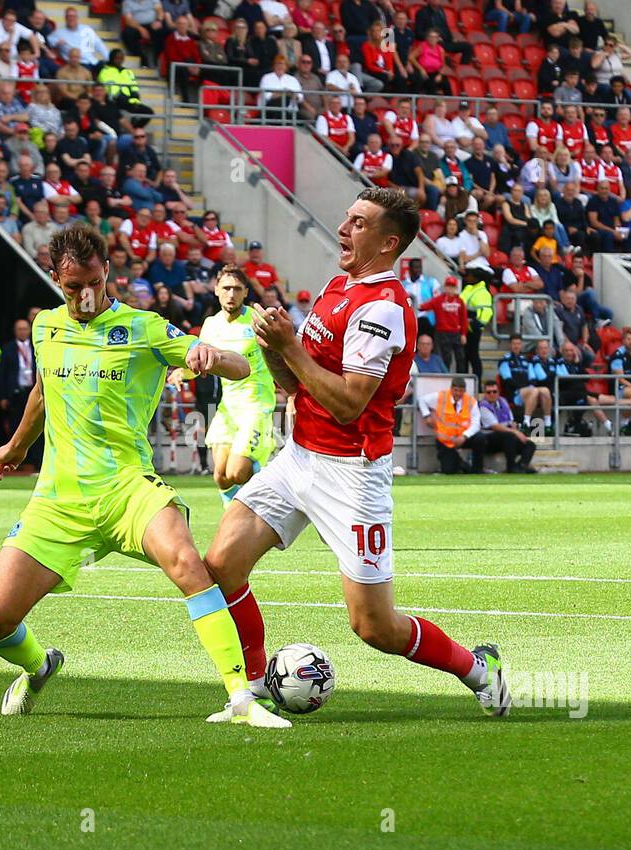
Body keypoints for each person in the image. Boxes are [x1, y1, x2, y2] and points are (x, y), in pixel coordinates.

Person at [202, 187, 510, 721]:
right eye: (347, 218)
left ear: (389, 243)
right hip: (299, 456)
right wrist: (277, 349)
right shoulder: (337, 286)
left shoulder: (383, 309)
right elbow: (296, 388)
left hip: (352, 473)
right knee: (222, 564)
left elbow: (348, 403)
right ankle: (250, 690)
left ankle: (478, 670)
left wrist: (291, 347)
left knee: (374, 627)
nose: (344, 228)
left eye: (359, 223)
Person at [0, 224, 285, 727]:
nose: (86, 294)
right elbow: (41, 391)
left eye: (94, 281)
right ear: (55, 278)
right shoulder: (45, 327)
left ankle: (240, 697)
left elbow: (239, 368)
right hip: (59, 500)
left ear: (107, 273)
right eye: (73, 285)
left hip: (128, 489)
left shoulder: (144, 327)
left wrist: (210, 356)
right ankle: (39, 666)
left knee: (188, 562)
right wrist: (15, 446)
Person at [169, 264, 276, 507]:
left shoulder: (257, 320)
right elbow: (201, 363)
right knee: (221, 476)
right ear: (216, 289)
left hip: (256, 406)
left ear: (246, 292)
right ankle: (236, 518)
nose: (231, 294)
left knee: (238, 472)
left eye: (237, 289)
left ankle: (270, 492)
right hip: (228, 408)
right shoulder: (211, 324)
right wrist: (181, 374)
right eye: (226, 288)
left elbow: (283, 353)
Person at [0, 314, 42, 471]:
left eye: (25, 329)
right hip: (17, 393)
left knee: (37, 425)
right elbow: (2, 374)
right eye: (19, 329)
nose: (22, 332)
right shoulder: (8, 349)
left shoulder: (37, 346)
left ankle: (38, 462)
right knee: (16, 426)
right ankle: (16, 461)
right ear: (15, 331)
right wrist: (3, 396)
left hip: (35, 390)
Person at [420, 376, 481, 474]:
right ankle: (462, 464)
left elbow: (476, 423)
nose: (458, 394)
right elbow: (422, 400)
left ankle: (477, 468)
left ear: (464, 390)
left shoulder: (470, 401)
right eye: (456, 390)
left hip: (463, 437)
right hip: (445, 439)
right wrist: (426, 415)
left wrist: (465, 436)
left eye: (461, 391)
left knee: (480, 438)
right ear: (451, 389)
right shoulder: (442, 396)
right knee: (449, 470)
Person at [477, 379, 537, 473]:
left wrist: (515, 429)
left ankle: (521, 466)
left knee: (530, 444)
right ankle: (511, 467)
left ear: (498, 392)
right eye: (489, 392)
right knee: (509, 436)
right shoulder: (483, 406)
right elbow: (495, 426)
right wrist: (515, 432)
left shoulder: (503, 401)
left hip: (506, 437)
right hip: (489, 439)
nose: (492, 394)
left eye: (494, 391)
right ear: (485, 393)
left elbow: (511, 421)